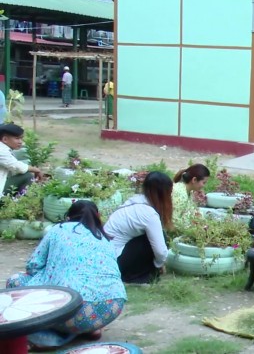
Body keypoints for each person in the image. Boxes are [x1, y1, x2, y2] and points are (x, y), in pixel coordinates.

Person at [6, 201, 126, 349]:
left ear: (68, 217)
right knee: (76, 303)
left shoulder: (58, 229)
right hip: (112, 306)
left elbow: (33, 265)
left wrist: (50, 273)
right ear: (98, 217)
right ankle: (89, 329)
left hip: (71, 309)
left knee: (15, 283)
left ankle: (50, 338)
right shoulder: (103, 237)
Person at [104, 171, 173, 284]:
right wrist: (158, 265)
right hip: (116, 262)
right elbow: (160, 252)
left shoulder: (135, 201)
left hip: (107, 258)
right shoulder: (148, 213)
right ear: (163, 194)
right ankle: (137, 277)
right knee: (155, 239)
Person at [0, 123, 42, 195]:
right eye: (17, 138)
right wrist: (36, 170)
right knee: (27, 176)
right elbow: (17, 166)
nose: (20, 142)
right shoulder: (1, 150)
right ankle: (19, 202)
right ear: (5, 139)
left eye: (21, 138)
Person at [171, 164, 211, 229]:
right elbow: (174, 221)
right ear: (194, 180)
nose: (204, 185)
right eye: (204, 182)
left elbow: (193, 211)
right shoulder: (180, 194)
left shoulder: (189, 191)